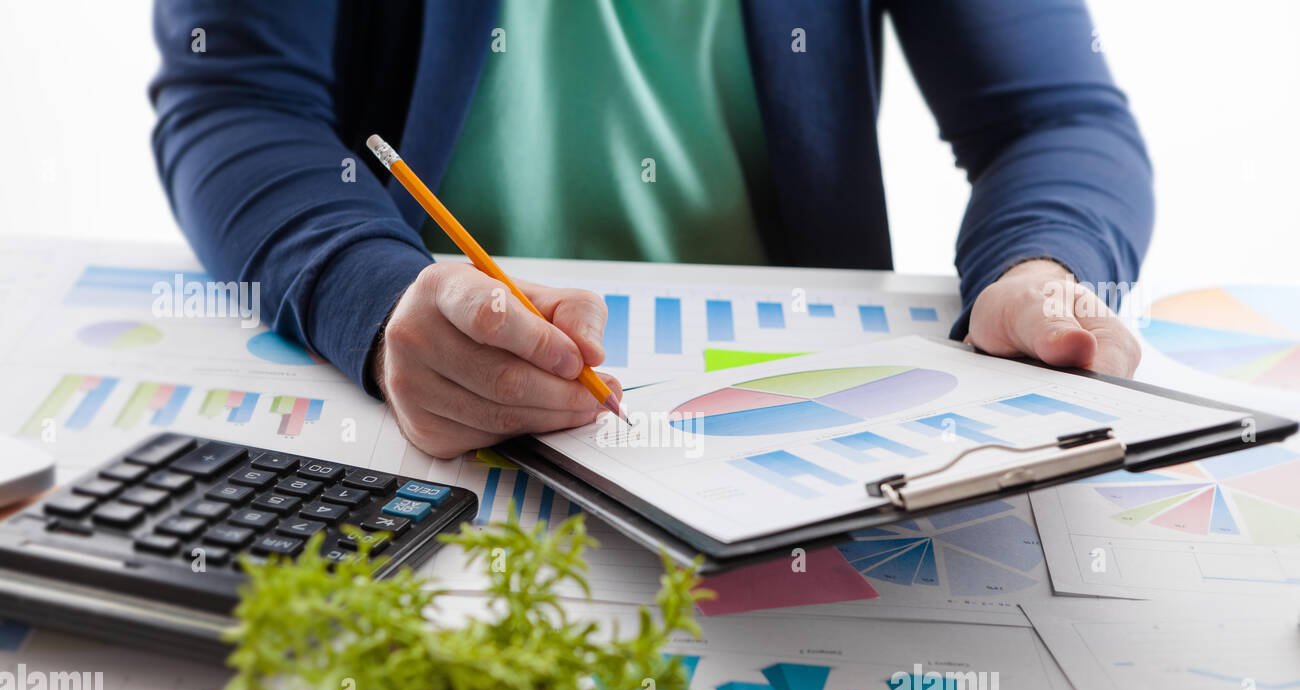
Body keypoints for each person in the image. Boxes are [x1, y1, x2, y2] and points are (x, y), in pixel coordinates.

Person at [151, 0, 1151, 459]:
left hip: (790, 427)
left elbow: (1052, 117)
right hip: (430, 417)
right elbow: (234, 96)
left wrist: (1037, 264)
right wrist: (370, 294)